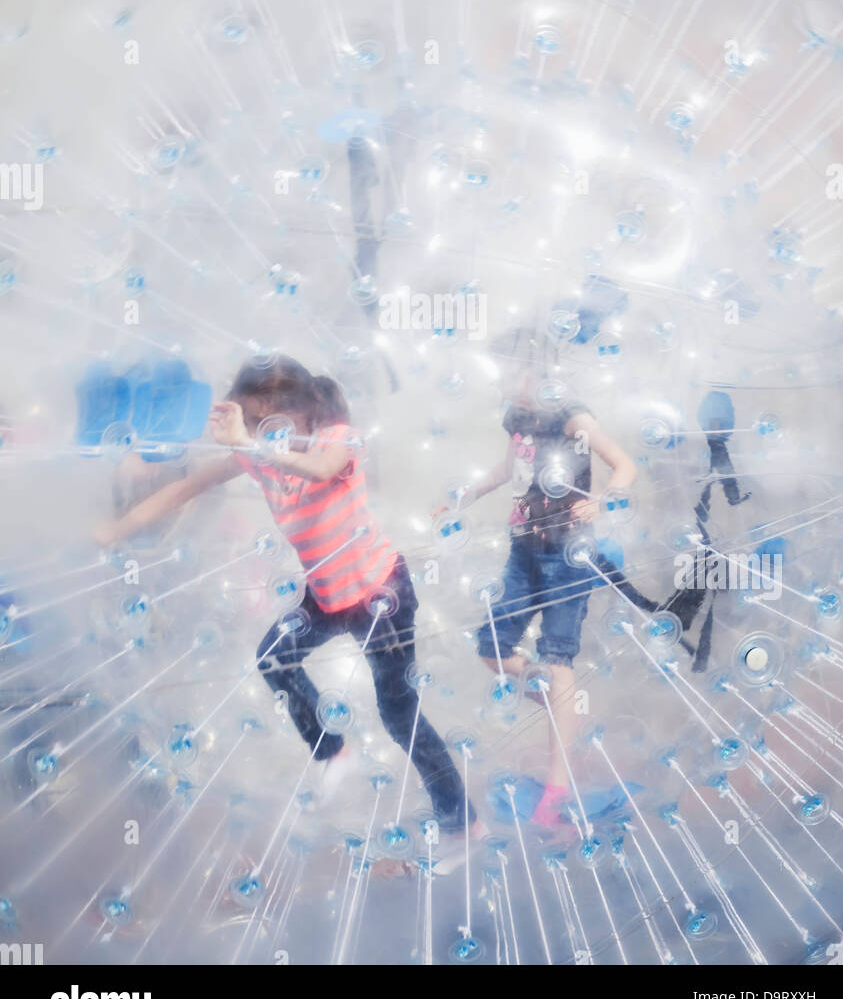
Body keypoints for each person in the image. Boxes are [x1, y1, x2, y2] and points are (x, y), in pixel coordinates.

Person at [96, 355, 475, 833]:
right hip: (326, 596)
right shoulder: (255, 457)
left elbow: (320, 470)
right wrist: (119, 528)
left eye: (270, 422)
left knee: (400, 717)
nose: (260, 432)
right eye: (253, 422)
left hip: (381, 593)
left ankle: (463, 821)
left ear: (306, 410)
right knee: (274, 657)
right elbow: (183, 490)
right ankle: (334, 752)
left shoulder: (336, 437)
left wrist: (251, 444)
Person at [444, 327, 655, 829]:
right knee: (491, 647)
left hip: (567, 552)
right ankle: (555, 695)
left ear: (538, 370)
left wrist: (602, 500)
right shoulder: (516, 417)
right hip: (524, 546)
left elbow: (623, 464)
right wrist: (464, 496)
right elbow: (509, 466)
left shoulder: (572, 415)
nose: (503, 379)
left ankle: (557, 785)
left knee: (559, 657)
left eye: (511, 369)